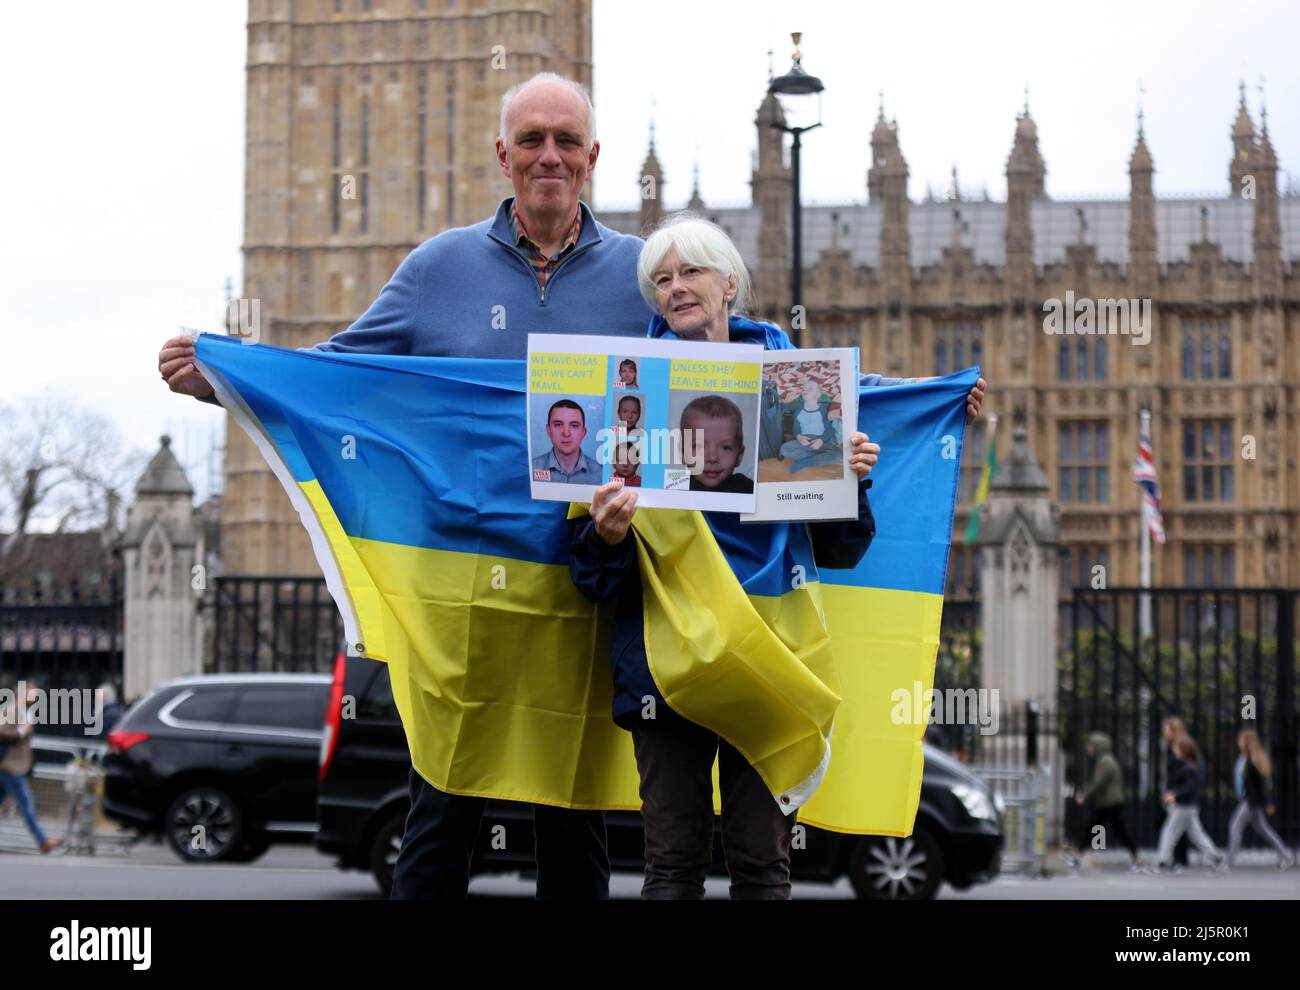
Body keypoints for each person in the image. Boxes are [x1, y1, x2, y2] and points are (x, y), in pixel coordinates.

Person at [158, 72, 655, 900]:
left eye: (567, 141)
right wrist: (223, 376)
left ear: (593, 157)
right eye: (531, 139)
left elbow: (739, 371)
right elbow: (336, 377)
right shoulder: (439, 270)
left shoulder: (642, 276)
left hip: (586, 589)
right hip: (461, 594)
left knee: (573, 826)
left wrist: (896, 401)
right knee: (441, 817)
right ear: (503, 155)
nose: (549, 156)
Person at [570, 215, 986, 899]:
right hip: (664, 666)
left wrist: (853, 481)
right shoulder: (620, 397)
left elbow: (840, 551)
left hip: (768, 656)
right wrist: (606, 535)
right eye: (663, 280)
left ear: (729, 281)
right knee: (671, 866)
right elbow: (589, 577)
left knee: (762, 867)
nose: (677, 289)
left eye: (691, 272)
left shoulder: (798, 389)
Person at [0, 681, 63, 854]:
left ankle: (43, 841)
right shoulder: (12, 710)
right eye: (33, 692)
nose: (36, 696)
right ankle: (43, 841)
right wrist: (21, 732)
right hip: (10, 767)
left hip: (12, 767)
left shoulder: (24, 712)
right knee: (27, 805)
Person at [1065, 732, 1138, 872]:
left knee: (1098, 828)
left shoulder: (1105, 761)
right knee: (1108, 829)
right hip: (1108, 802)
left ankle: (1078, 854)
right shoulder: (1104, 760)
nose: (1089, 749)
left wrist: (1084, 795)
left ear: (1099, 747)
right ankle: (1078, 854)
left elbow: (1099, 782)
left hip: (1109, 803)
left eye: (1091, 746)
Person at [1151, 736, 1226, 873]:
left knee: (1169, 832)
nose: (1174, 750)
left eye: (1176, 748)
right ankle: (1216, 859)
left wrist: (1174, 795)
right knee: (1197, 835)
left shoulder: (1187, 768)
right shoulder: (1188, 766)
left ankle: (1161, 862)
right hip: (1189, 806)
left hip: (1184, 806)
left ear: (1183, 750)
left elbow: (1190, 788)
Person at [1225, 728, 1294, 870]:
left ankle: (1228, 862)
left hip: (1250, 801)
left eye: (1241, 740)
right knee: (1263, 829)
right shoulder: (1243, 758)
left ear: (1247, 743)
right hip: (1248, 800)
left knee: (1234, 826)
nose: (1239, 742)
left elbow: (1262, 784)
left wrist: (1268, 802)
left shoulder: (1253, 761)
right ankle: (1286, 856)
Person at [681, 394, 753, 493]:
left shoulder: (749, 489)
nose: (713, 458)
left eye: (725, 448)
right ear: (683, 453)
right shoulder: (674, 488)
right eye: (698, 446)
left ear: (739, 455)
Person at [532, 400, 601, 483]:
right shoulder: (531, 469)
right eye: (558, 424)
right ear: (549, 430)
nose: (566, 433)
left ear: (583, 432)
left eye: (574, 425)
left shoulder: (601, 473)